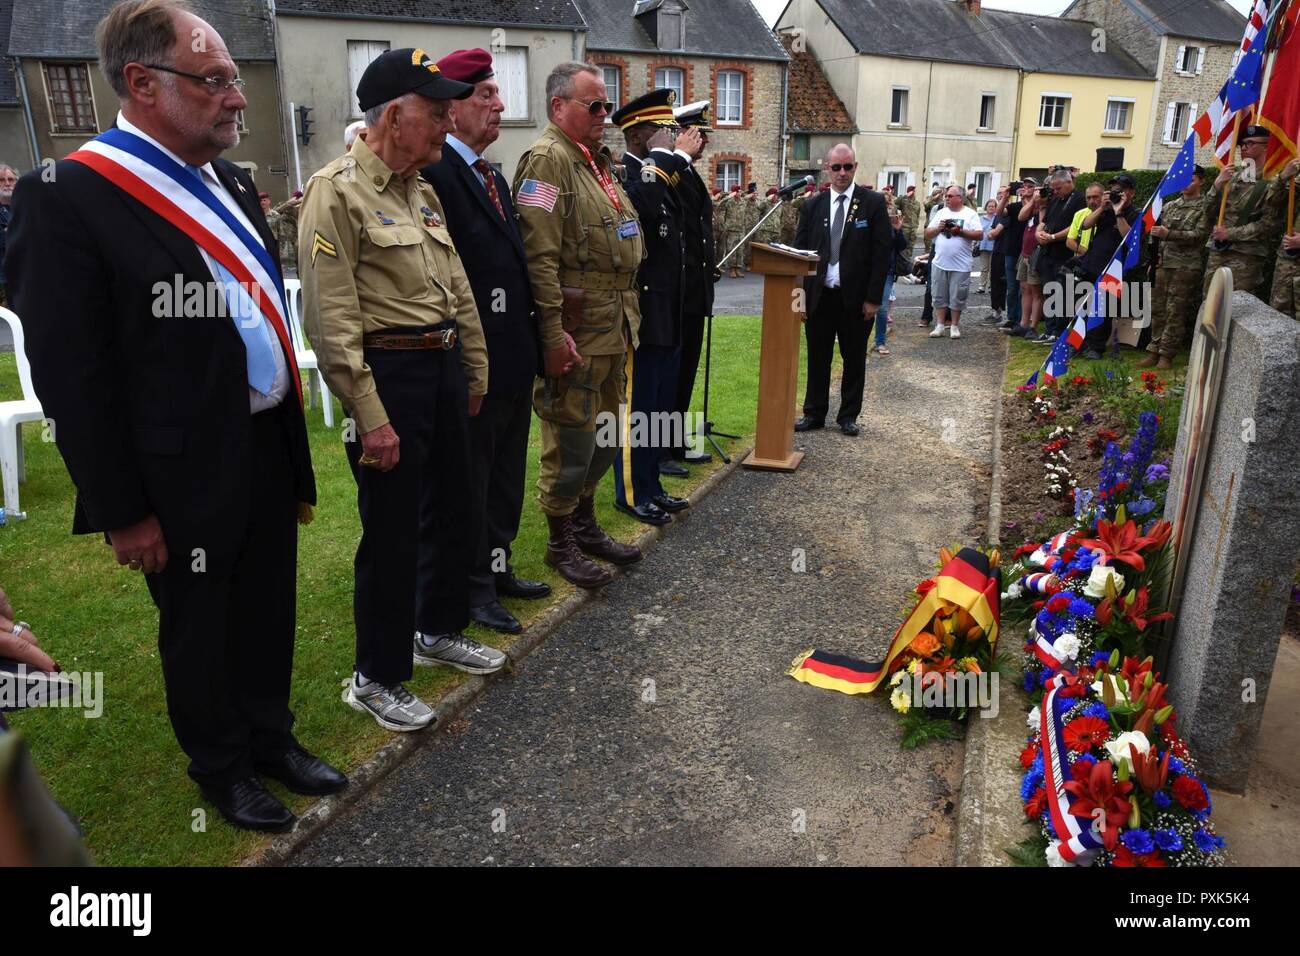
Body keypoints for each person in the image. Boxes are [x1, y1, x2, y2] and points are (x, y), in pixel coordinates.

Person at [6, 0, 343, 831]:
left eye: (236, 79)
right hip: (174, 467)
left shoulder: (228, 181)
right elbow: (72, 377)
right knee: (200, 627)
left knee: (267, 605)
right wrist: (123, 511)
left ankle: (272, 738)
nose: (236, 98)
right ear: (142, 82)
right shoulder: (72, 194)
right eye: (217, 80)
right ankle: (222, 767)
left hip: (262, 438)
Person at [300, 47, 505, 734]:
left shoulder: (422, 189)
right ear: (394, 116)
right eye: (436, 112)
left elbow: (457, 294)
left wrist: (473, 371)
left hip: (441, 370)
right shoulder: (336, 191)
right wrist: (369, 413)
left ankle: (437, 628)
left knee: (455, 508)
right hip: (388, 378)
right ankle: (375, 676)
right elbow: (331, 319)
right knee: (389, 532)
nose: (447, 123)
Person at [419, 47, 550, 637]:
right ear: (450, 109)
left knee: (502, 477)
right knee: (470, 482)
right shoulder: (436, 175)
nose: (498, 105)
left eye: (497, 95)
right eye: (485, 96)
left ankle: (498, 569)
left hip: (512, 360)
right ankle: (471, 587)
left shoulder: (492, 175)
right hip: (474, 363)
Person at [512, 62, 644, 589]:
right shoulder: (548, 162)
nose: (604, 115)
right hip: (578, 325)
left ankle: (586, 524)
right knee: (571, 435)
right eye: (594, 106)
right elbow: (538, 258)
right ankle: (558, 539)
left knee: (606, 433)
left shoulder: (595, 161)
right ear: (558, 108)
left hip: (614, 322)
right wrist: (551, 333)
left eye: (606, 105)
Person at [606, 89, 698, 525]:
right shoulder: (628, 175)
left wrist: (668, 161)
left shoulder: (656, 175)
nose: (674, 136)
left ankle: (651, 484)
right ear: (640, 134)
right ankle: (629, 490)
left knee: (659, 404)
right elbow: (640, 218)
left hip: (668, 310)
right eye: (666, 130)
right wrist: (669, 159)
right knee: (638, 406)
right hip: (642, 312)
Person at [793, 143, 890, 435]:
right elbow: (799, 253)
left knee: (854, 358)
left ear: (855, 167)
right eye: (836, 167)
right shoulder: (813, 205)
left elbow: (881, 253)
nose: (842, 173)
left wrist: (874, 299)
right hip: (820, 296)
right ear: (827, 168)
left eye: (848, 167)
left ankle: (848, 416)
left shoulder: (872, 203)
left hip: (856, 299)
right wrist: (800, 296)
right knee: (818, 357)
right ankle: (814, 413)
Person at [667, 99, 720, 470]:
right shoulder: (675, 172)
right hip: (679, 293)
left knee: (685, 371)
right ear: (683, 134)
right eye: (699, 134)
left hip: (695, 290)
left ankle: (674, 440)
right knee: (673, 373)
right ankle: (666, 446)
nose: (704, 143)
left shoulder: (689, 174)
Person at [1203, 126, 1282, 299]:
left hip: (1245, 256)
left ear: (1266, 146)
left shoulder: (1273, 182)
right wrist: (1216, 186)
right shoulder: (1231, 177)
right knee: (1209, 306)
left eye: (1250, 143)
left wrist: (1229, 233)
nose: (1244, 148)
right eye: (1242, 144)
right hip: (1218, 252)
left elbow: (1269, 225)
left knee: (1236, 310)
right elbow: (1208, 212)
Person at [1142, 165, 1209, 368]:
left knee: (1175, 311)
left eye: (1191, 179)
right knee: (1158, 308)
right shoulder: (1170, 206)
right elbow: (1157, 237)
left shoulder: (1206, 206)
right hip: (1164, 264)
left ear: (1201, 181)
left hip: (1185, 266)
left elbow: (1200, 236)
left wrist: (1169, 234)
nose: (1186, 183)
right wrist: (1156, 259)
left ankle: (1167, 354)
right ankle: (1154, 349)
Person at [1074, 174, 1141, 359]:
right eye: (1114, 189)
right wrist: (1103, 206)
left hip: (1114, 268)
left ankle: (1096, 347)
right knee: (1082, 305)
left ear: (1132, 193)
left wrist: (1119, 212)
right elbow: (1086, 225)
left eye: (1122, 189)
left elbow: (1130, 239)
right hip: (1092, 263)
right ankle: (1080, 342)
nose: (1117, 192)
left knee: (1103, 309)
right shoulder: (1105, 209)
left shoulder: (1135, 213)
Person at [924, 185, 984, 339]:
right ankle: (939, 325)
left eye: (950, 196)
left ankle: (955, 325)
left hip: (961, 264)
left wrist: (960, 231)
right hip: (940, 262)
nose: (947, 198)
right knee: (938, 294)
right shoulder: (941, 212)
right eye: (946, 196)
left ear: (960, 197)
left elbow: (979, 235)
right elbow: (928, 233)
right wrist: (939, 228)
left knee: (958, 296)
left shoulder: (970, 214)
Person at [1035, 169, 1086, 338]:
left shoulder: (1079, 200)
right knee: (1048, 292)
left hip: (1064, 254)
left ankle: (1059, 331)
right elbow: (1044, 221)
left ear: (1069, 183)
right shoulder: (1056, 199)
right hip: (1047, 253)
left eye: (1058, 188)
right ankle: (1049, 329)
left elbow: (1075, 226)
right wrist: (1039, 233)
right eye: (1054, 189)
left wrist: (1053, 237)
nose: (1055, 192)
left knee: (1062, 293)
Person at [994, 177, 1033, 332]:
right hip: (1011, 250)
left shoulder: (1036, 207)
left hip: (1027, 251)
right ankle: (1012, 318)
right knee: (1012, 287)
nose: (1026, 189)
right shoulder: (1015, 206)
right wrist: (1006, 196)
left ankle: (1023, 318)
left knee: (1025, 287)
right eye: (1024, 186)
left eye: (1030, 186)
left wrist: (1029, 200)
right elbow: (999, 212)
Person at [1267, 158, 1300, 320]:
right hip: (1287, 264)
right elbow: (1273, 201)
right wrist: (1284, 175)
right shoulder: (1297, 178)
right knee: (1278, 319)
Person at [873, 205, 908, 355]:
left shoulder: (893, 228)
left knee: (881, 307)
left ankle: (880, 342)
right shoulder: (870, 224)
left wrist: (898, 229)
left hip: (886, 271)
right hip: (867, 271)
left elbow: (902, 246)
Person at [1067, 182, 1104, 255]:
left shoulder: (1111, 214)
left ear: (1104, 196)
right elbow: (1069, 241)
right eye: (1088, 198)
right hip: (1084, 261)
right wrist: (1088, 254)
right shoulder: (1079, 214)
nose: (1091, 201)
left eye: (1095, 197)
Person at [722, 184, 746, 277]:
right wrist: (728, 197)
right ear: (734, 192)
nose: (740, 193)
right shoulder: (729, 202)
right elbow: (720, 206)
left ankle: (738, 268)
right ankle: (732, 269)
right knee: (731, 250)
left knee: (740, 250)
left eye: (740, 191)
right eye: (738, 191)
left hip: (741, 229)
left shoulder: (743, 201)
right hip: (731, 229)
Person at [0, 164, 15, 306]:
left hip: (28, 277)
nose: (7, 183)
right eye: (1, 180)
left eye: (11, 179)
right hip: (5, 281)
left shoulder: (26, 208)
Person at [976, 199, 996, 293]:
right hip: (983, 245)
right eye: (989, 206)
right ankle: (982, 286)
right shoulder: (981, 219)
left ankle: (992, 287)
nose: (991, 208)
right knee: (984, 268)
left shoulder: (998, 218)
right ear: (986, 207)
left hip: (994, 245)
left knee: (993, 268)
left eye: (993, 206)